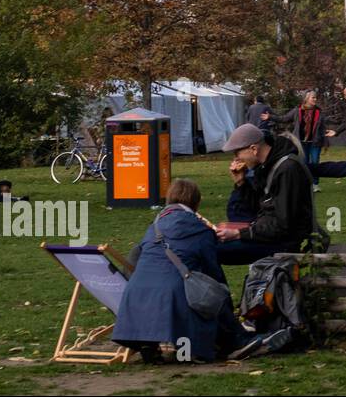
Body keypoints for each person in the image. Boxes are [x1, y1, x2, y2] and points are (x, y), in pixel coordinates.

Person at [113, 178, 239, 363]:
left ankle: (149, 347)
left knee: (164, 289)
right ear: (196, 201)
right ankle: (187, 351)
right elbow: (212, 270)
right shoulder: (199, 229)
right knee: (198, 292)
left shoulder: (154, 226)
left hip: (137, 290)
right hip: (175, 292)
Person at [217, 123, 315, 264]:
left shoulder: (287, 169)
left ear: (254, 149)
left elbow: (284, 224)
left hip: (283, 242)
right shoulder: (266, 166)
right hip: (267, 234)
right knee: (204, 245)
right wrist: (241, 183)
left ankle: (215, 287)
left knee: (208, 249)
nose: (236, 159)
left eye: (237, 153)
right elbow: (258, 207)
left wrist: (239, 234)